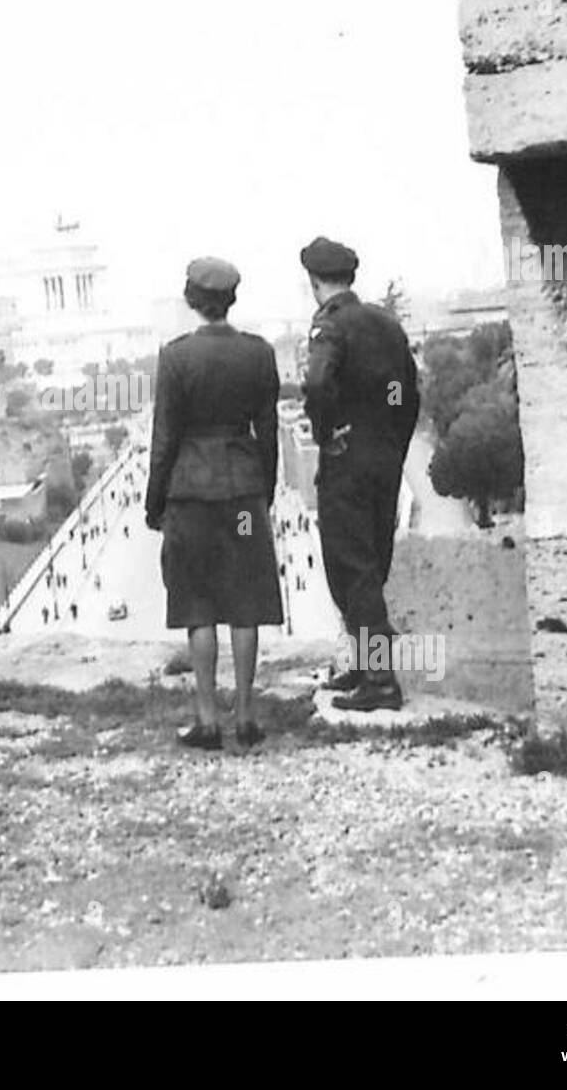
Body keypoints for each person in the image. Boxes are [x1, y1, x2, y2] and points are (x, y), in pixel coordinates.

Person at [145, 257, 283, 750]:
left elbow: (164, 439)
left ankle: (206, 720)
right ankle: (246, 717)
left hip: (190, 494)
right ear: (232, 300)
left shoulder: (176, 357)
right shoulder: (260, 353)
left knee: (197, 605)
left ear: (191, 300)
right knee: (246, 602)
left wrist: (153, 502)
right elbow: (269, 433)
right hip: (243, 494)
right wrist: (262, 490)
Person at [300, 236, 419, 712]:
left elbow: (317, 384)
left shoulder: (330, 326)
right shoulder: (385, 324)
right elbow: (403, 391)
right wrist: (393, 439)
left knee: (352, 567)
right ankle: (364, 663)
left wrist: (327, 432)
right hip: (383, 458)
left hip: (347, 458)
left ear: (314, 282)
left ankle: (381, 681)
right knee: (372, 561)